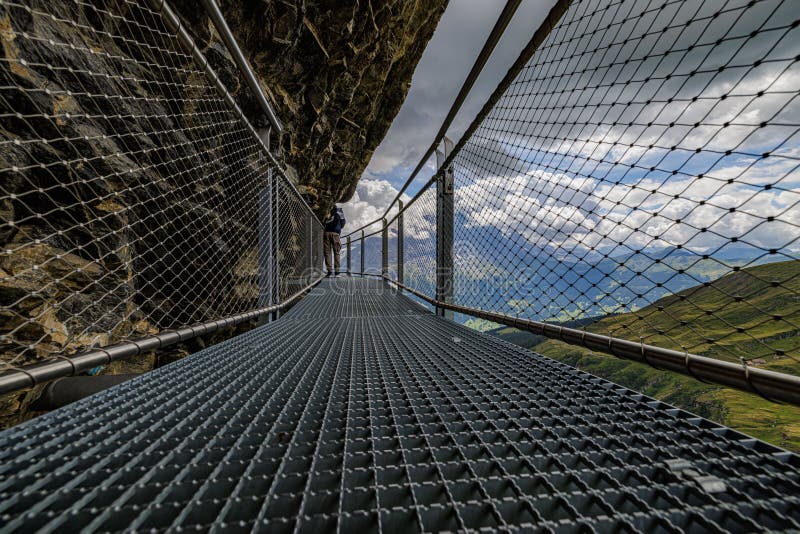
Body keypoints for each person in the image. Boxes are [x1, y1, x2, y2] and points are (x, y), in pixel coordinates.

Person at [323, 206, 345, 276]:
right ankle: (337, 271)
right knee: (336, 252)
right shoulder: (339, 210)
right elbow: (343, 222)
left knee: (327, 252)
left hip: (326, 233)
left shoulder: (325, 208)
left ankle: (329, 271)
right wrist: (338, 227)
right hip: (335, 233)